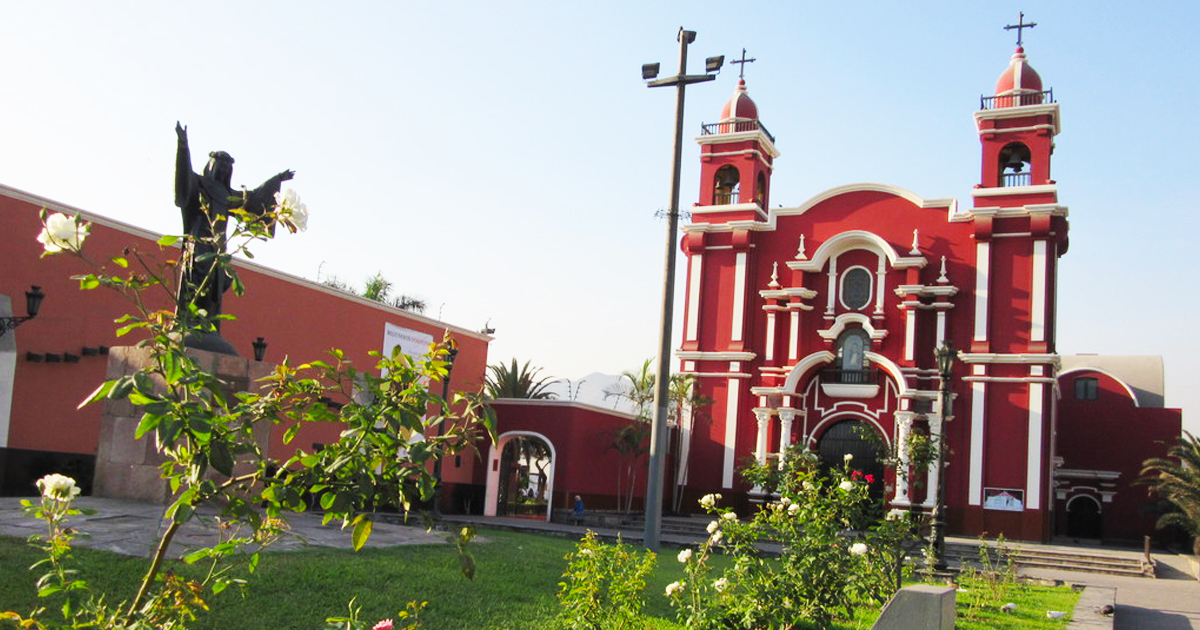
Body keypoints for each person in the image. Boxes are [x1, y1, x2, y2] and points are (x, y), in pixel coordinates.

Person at [173, 122, 293, 351]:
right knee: (196, 279)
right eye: (220, 165)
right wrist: (183, 145)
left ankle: (207, 323)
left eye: (227, 167)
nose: (223, 170)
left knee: (215, 283)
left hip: (219, 248)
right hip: (199, 241)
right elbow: (183, 180)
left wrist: (277, 179)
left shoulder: (227, 194)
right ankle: (190, 321)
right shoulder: (198, 184)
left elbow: (255, 199)